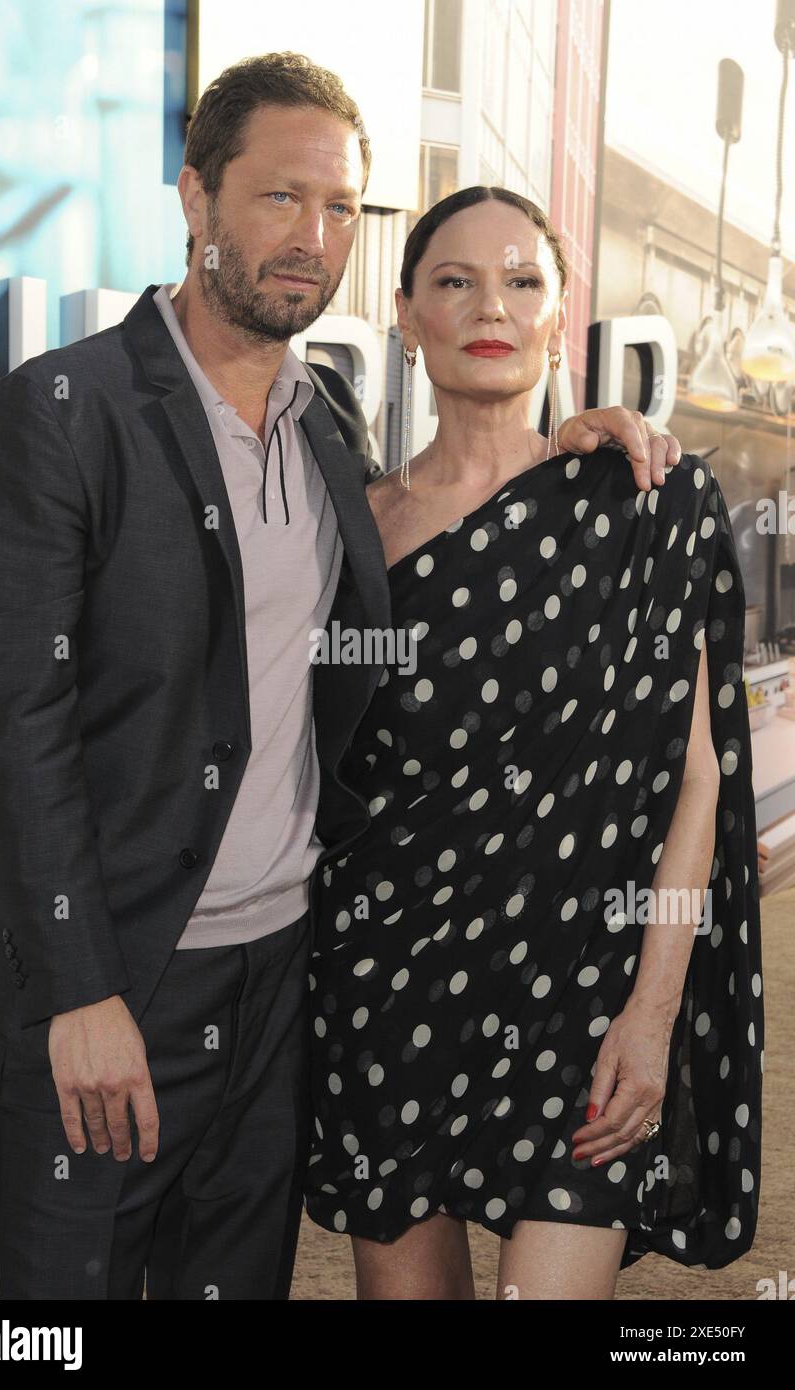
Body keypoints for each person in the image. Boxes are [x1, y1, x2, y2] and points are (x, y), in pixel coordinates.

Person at [0, 53, 681, 1301]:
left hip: (288, 980)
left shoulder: (328, 423)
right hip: (118, 980)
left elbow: (446, 530)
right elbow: (14, 730)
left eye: (340, 209)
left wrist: (569, 444)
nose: (312, 239)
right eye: (280, 199)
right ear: (193, 198)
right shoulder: (61, 414)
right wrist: (79, 995)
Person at [303, 185, 763, 1301]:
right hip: (386, 971)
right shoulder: (343, 526)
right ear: (407, 312)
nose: (488, 306)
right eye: (454, 282)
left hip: (585, 988)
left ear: (562, 316)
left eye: (522, 281)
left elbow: (692, 780)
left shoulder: (646, 500)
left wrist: (652, 1016)